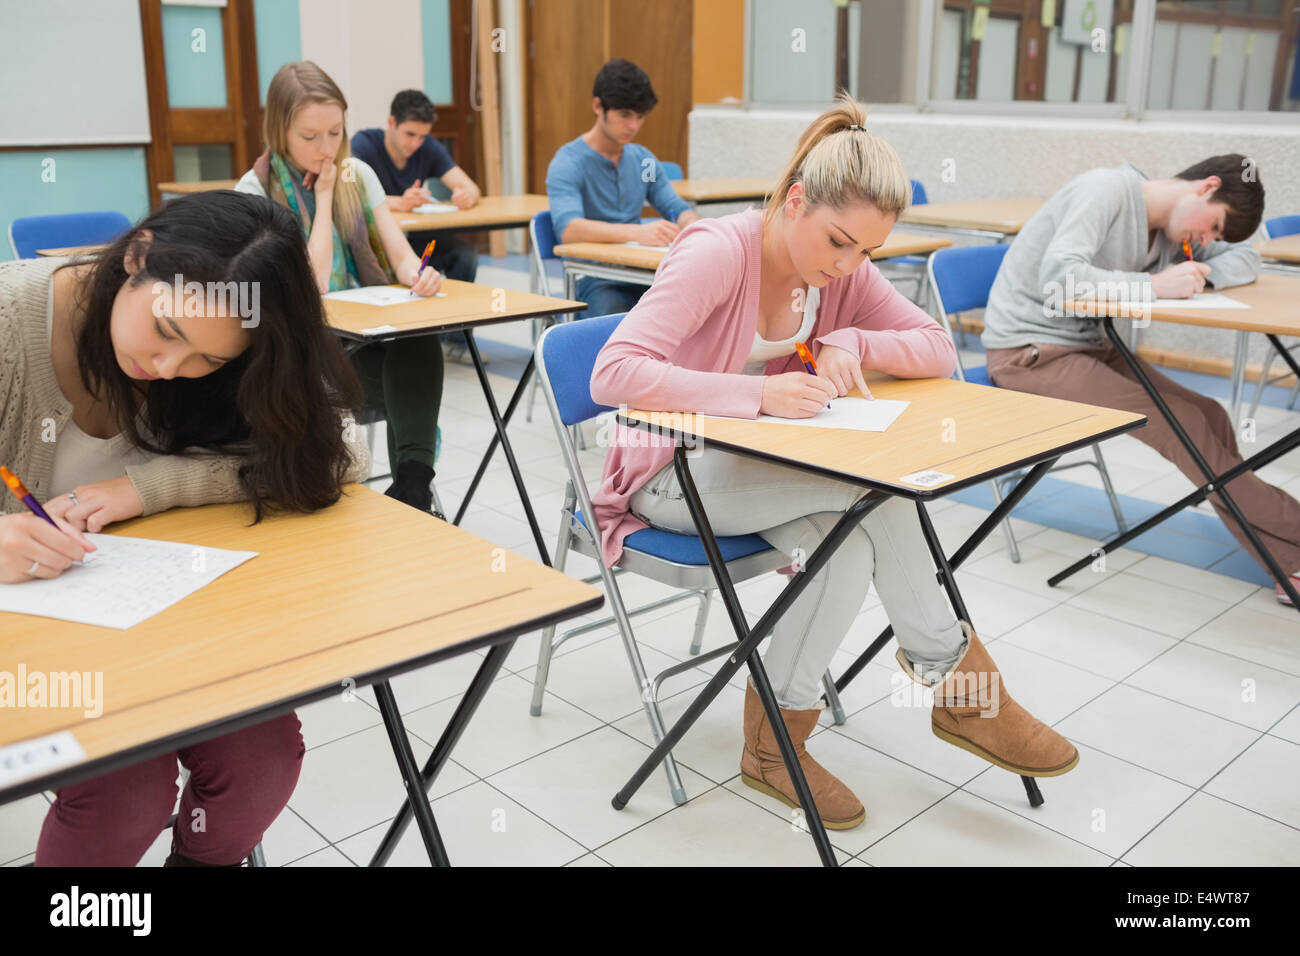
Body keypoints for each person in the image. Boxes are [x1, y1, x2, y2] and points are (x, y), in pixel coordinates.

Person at [588, 94, 1077, 831]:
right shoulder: (719, 251)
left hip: (760, 469)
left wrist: (857, 342)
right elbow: (612, 374)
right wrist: (755, 393)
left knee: (843, 542)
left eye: (866, 253)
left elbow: (939, 346)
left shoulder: (839, 271)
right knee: (877, 494)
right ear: (794, 203)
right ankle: (966, 694)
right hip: (670, 473)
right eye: (840, 242)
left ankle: (773, 745)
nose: (848, 265)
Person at [0, 189, 369, 864]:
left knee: (262, 759)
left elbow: (337, 454)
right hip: (24, 637)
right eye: (167, 333)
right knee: (127, 789)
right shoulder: (8, 320)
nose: (169, 369)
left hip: (140, 615)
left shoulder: (224, 341)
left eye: (208, 361)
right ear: (137, 257)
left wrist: (148, 487)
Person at [981, 155, 1300, 604]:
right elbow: (1059, 278)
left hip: (1092, 346)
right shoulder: (1105, 190)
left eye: (1212, 239)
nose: (1205, 242)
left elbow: (1246, 257)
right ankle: (1292, 544)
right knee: (1185, 423)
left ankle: (1287, 564)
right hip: (1029, 355)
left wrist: (1201, 280)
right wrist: (1154, 286)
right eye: (1213, 228)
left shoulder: (1172, 233)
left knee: (1210, 414)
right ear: (1207, 187)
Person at [236, 61, 444, 514]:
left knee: (420, 339)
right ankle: (414, 491)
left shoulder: (359, 173)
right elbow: (310, 282)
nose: (326, 148)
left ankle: (411, 487)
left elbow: (399, 252)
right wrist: (326, 197)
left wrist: (418, 274)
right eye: (310, 137)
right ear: (279, 130)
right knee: (415, 396)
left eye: (334, 132)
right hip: (305, 362)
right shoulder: (254, 191)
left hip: (365, 343)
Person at [546, 58, 700, 319]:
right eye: (625, 115)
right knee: (616, 319)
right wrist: (637, 232)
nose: (633, 126)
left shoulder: (642, 160)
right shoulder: (568, 162)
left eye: (640, 117)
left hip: (643, 271)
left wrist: (694, 227)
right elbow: (569, 230)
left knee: (696, 309)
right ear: (598, 106)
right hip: (594, 277)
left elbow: (677, 208)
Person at [350, 88, 480, 285]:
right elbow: (349, 194)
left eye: (422, 136)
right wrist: (398, 203)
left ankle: (457, 313)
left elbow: (471, 188)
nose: (415, 143)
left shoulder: (427, 146)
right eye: (410, 134)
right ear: (391, 123)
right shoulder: (363, 145)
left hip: (415, 239)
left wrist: (467, 196)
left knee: (464, 254)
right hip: (377, 240)